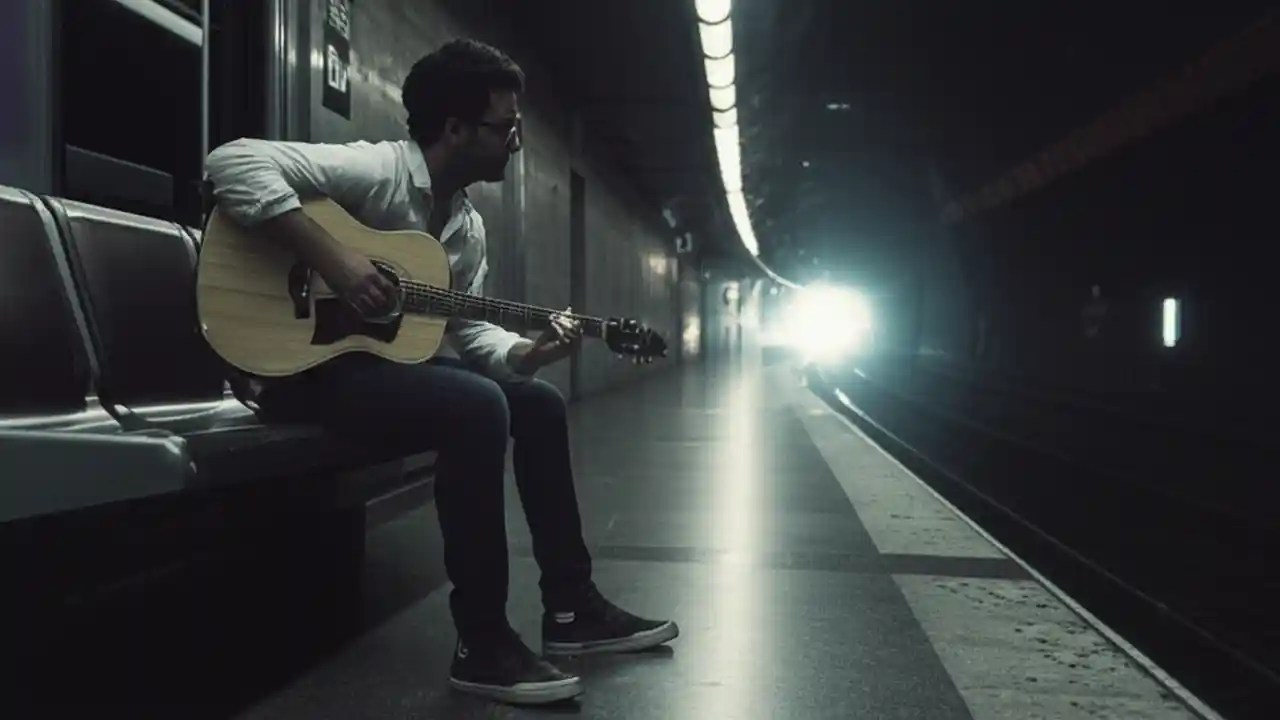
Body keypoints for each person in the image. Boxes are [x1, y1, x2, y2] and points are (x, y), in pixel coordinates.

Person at [203, 38, 678, 706]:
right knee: (476, 405)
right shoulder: (376, 172)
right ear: (454, 128)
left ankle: (572, 609)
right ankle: (482, 641)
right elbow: (232, 161)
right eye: (505, 127)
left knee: (533, 401)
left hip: (362, 377)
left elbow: (470, 330)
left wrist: (530, 354)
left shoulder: (466, 228)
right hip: (290, 369)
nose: (516, 142)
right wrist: (338, 262)